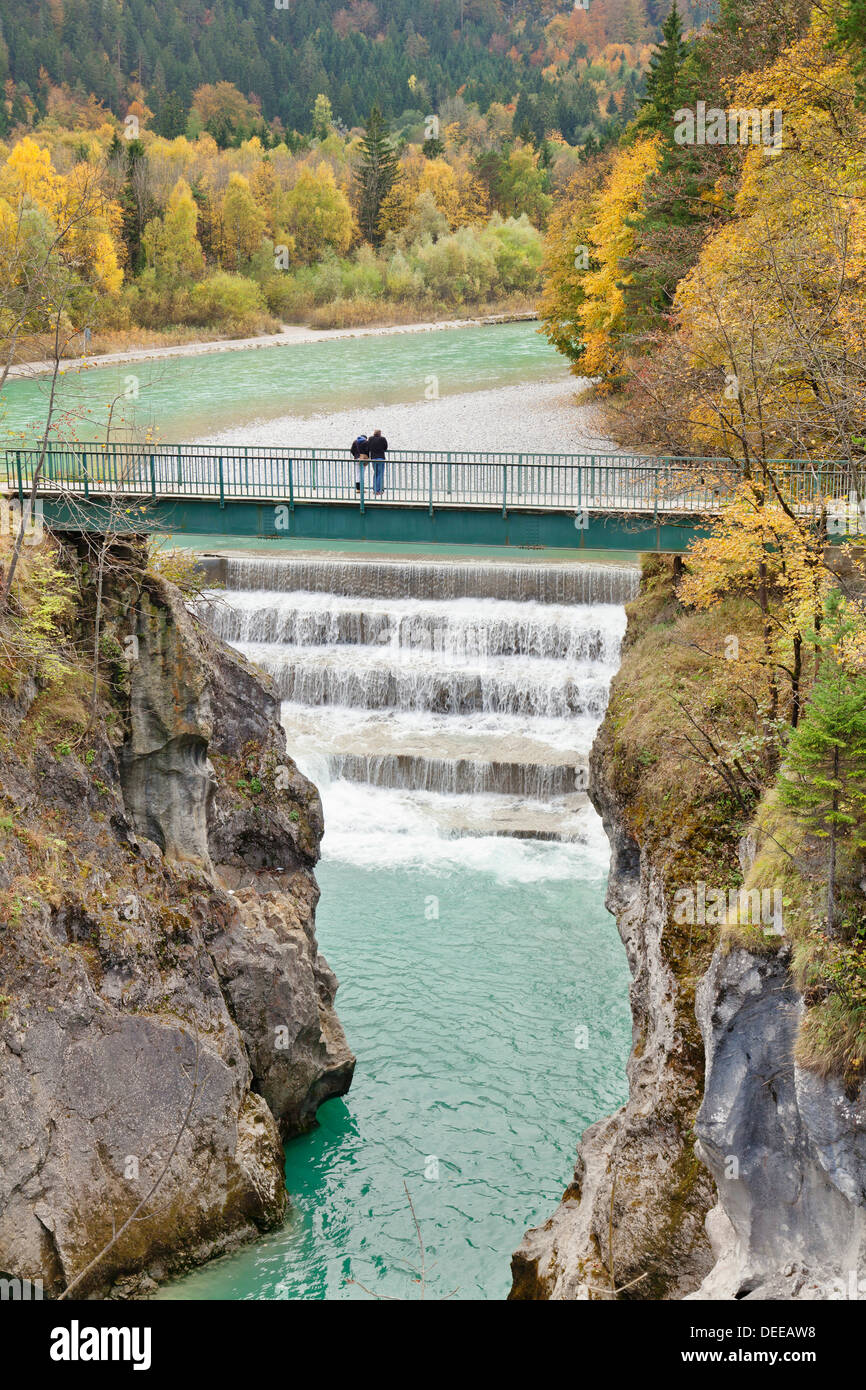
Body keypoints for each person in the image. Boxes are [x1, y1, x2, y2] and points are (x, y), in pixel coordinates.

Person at [368, 428, 388, 495]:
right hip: (380, 458)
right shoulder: (383, 439)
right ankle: (378, 490)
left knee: (375, 473)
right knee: (380, 474)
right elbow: (385, 447)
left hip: (373, 458)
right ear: (380, 433)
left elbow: (368, 447)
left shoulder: (370, 439)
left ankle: (374, 489)